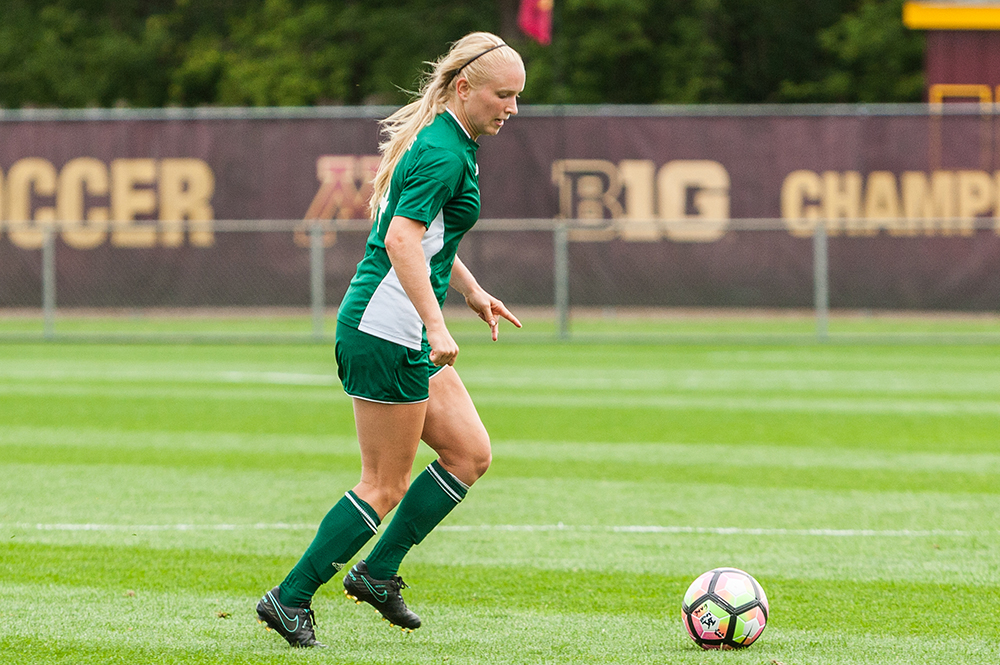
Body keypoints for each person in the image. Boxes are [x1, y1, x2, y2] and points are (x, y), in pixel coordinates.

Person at [256, 32, 525, 648]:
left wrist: (471, 291)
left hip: (402, 326)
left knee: (469, 455)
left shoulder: (452, 140)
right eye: (503, 95)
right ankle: (290, 598)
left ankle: (377, 573)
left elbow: (424, 236)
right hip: (386, 331)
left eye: (517, 96)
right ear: (464, 89)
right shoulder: (441, 151)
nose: (512, 108)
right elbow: (400, 242)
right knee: (383, 484)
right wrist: (435, 326)